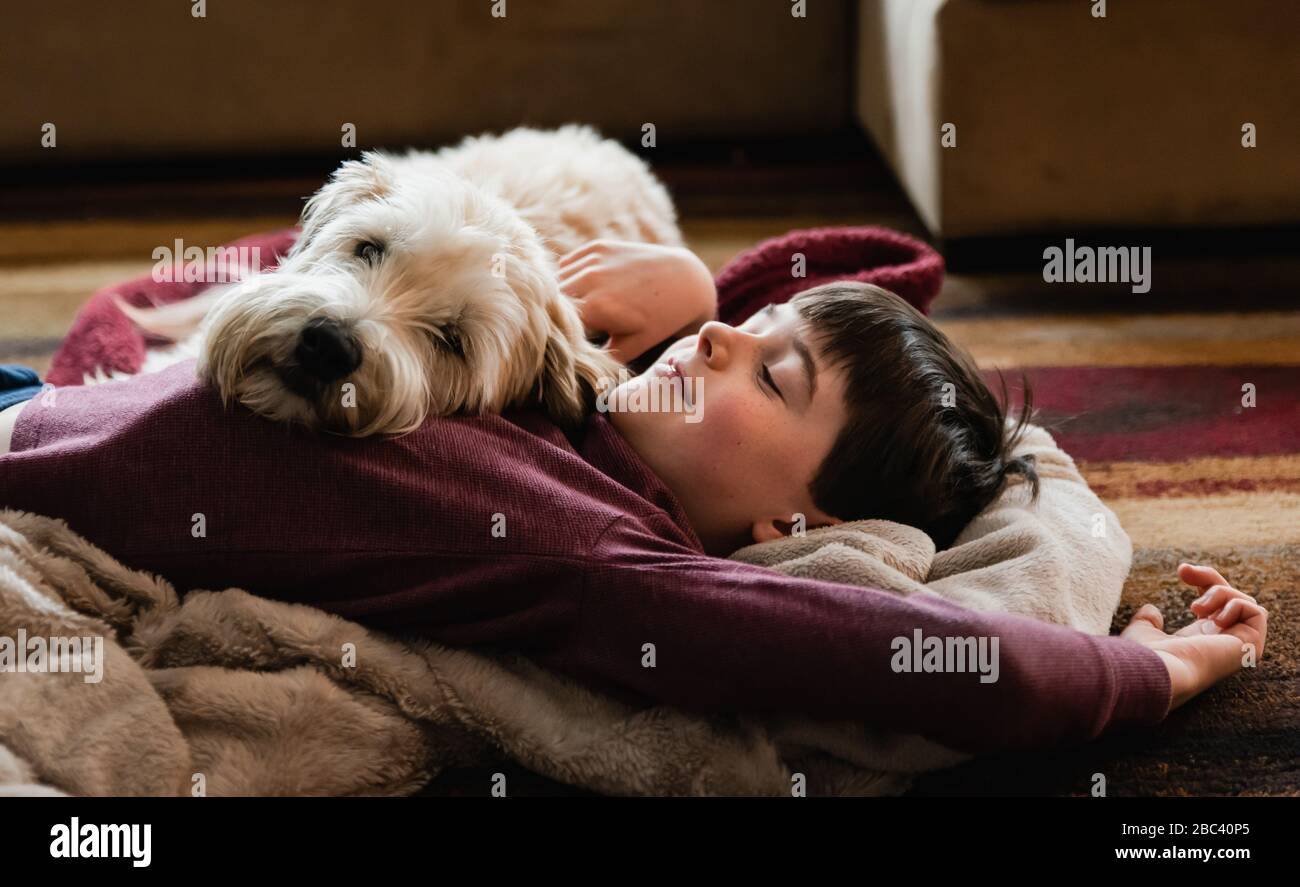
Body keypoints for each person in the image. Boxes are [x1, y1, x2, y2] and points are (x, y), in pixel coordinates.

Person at [0, 241, 1267, 756]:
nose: (718, 340)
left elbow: (914, 657)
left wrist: (1158, 673)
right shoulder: (574, 403)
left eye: (771, 375)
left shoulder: (595, 553)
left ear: (797, 531)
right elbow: (860, 271)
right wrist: (681, 289)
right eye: (740, 327)